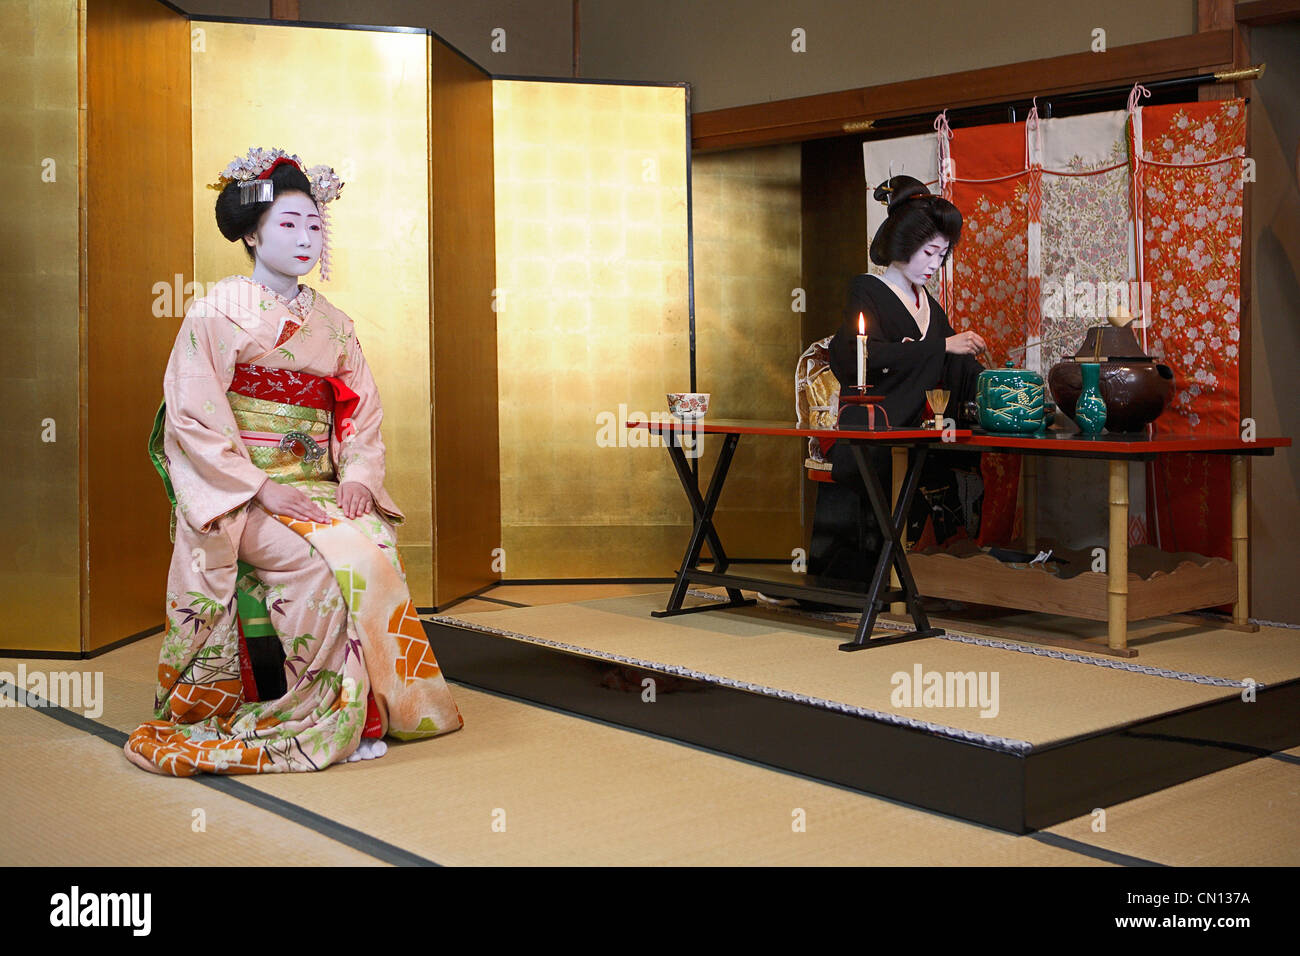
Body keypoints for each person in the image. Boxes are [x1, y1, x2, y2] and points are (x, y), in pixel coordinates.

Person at [124, 147, 462, 776]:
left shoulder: (334, 324)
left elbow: (360, 409)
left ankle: (367, 711)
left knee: (374, 548)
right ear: (251, 233)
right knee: (315, 565)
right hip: (244, 494)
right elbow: (191, 414)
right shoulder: (214, 310)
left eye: (314, 224)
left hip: (319, 485)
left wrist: (359, 475)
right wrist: (259, 488)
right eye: (287, 224)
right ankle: (320, 714)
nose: (305, 237)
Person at [808, 175, 986, 584]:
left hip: (917, 426)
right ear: (903, 247)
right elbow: (856, 357)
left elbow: (950, 366)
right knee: (872, 481)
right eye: (928, 252)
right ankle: (859, 583)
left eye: (941, 255)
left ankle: (934, 577)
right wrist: (939, 348)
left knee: (955, 455)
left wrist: (995, 387)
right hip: (873, 424)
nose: (934, 265)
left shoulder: (929, 306)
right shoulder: (868, 290)